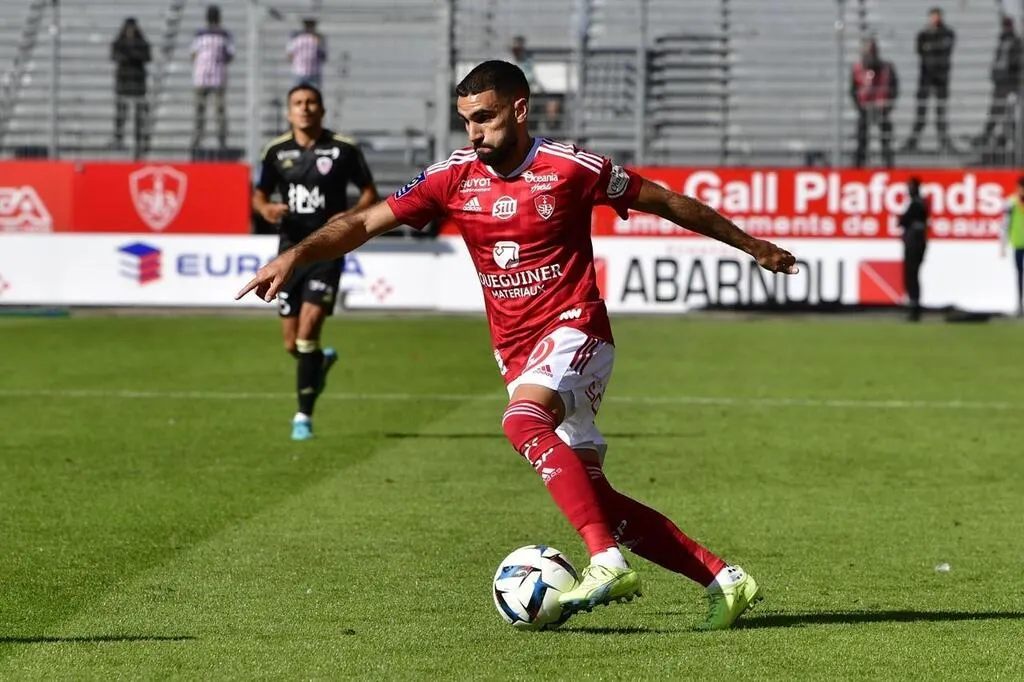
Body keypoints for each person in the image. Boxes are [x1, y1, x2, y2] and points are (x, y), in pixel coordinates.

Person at [237, 61, 797, 627]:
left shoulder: (573, 168)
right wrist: (293, 254)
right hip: (516, 350)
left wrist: (752, 245)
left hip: (576, 330)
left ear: (520, 110)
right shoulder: (451, 177)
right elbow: (361, 224)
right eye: (466, 122)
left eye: (484, 118)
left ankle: (605, 560)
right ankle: (724, 579)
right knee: (596, 499)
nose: (473, 133)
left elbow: (667, 202)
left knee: (521, 422)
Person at [252, 84, 380, 440]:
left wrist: (350, 215)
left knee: (308, 332)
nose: (305, 108)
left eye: (311, 103)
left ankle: (302, 417)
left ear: (322, 110)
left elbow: (369, 191)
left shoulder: (343, 149)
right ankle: (319, 362)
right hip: (289, 253)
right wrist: (267, 209)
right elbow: (259, 195)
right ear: (288, 112)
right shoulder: (276, 151)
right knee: (292, 344)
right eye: (297, 103)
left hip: (327, 250)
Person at [905, 7, 955, 152]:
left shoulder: (948, 33)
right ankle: (913, 141)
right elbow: (920, 49)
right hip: (926, 76)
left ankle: (944, 142)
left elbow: (945, 48)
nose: (935, 19)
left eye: (937, 16)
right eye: (933, 16)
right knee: (921, 111)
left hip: (941, 78)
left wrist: (930, 47)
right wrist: (933, 47)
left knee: (941, 111)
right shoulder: (923, 34)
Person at [974, 15, 1022, 151]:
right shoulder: (1002, 41)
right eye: (1005, 25)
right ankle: (988, 136)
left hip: (1011, 83)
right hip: (1000, 82)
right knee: (995, 110)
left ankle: (1004, 138)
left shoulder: (1017, 43)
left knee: (1009, 112)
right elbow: (998, 60)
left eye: (1008, 25)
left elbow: (1016, 63)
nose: (1006, 28)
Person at [190, 5, 235, 150]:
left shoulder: (200, 35)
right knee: (218, 110)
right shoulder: (224, 35)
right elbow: (230, 55)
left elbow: (193, 54)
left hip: (202, 76)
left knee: (201, 109)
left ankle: (199, 137)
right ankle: (221, 139)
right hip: (217, 76)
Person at [850, 38, 898, 168]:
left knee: (886, 140)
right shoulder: (857, 69)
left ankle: (889, 167)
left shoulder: (887, 68)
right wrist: (860, 107)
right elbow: (853, 90)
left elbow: (894, 87)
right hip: (865, 108)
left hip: (882, 107)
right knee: (862, 140)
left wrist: (888, 105)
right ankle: (857, 167)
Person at [110, 17, 151, 154]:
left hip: (138, 84)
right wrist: (131, 55)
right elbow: (115, 56)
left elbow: (146, 56)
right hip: (123, 82)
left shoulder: (142, 43)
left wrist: (130, 54)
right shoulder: (119, 43)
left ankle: (140, 140)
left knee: (140, 115)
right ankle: (118, 138)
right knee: (121, 113)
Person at [898, 177, 929, 322]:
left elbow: (903, 221)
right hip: (916, 242)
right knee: (912, 275)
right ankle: (913, 305)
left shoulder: (917, 204)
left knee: (911, 275)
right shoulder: (920, 204)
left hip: (914, 243)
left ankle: (914, 307)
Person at [1002, 176, 1024, 317]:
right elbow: (1005, 223)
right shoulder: (1011, 202)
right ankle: (1019, 304)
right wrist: (1003, 244)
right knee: (1019, 274)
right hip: (1018, 243)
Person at [287, 18, 327, 88]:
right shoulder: (297, 39)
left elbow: (323, 56)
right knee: (299, 95)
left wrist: (319, 45)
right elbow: (290, 54)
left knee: (314, 95)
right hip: (300, 73)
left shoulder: (319, 39)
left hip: (314, 73)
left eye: (311, 26)